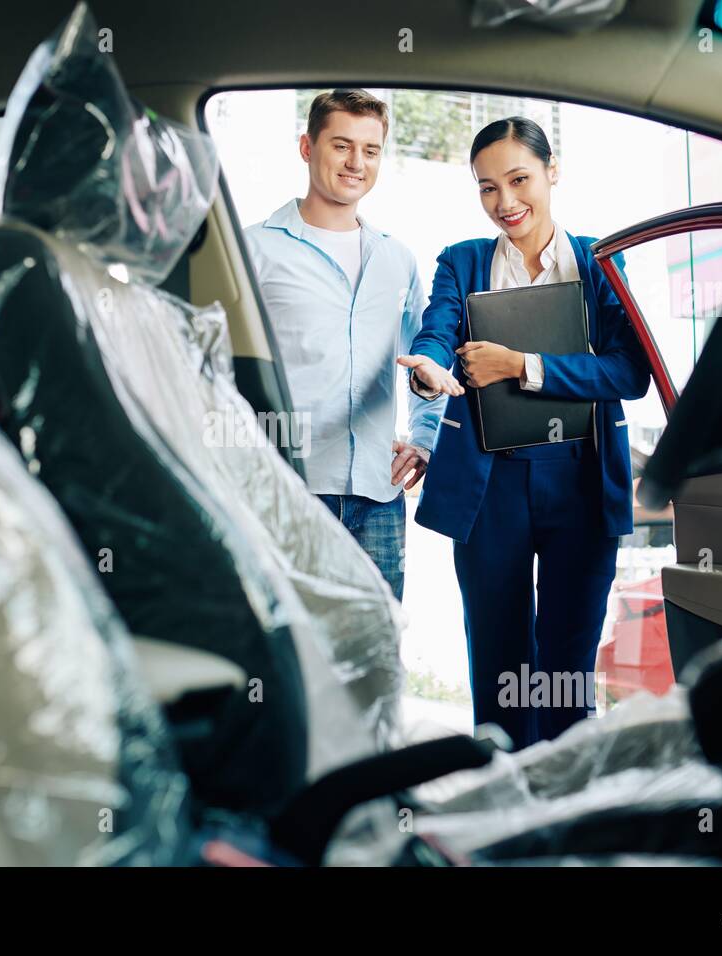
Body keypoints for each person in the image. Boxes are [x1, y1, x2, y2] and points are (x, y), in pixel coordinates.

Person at [397, 116, 651, 749]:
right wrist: (430, 369)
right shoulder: (463, 261)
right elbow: (437, 330)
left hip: (580, 478)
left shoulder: (600, 263)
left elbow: (630, 370)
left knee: (568, 665)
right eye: (488, 188)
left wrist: (520, 367)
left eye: (518, 180)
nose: (505, 203)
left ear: (551, 172)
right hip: (493, 484)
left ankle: (564, 800)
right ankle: (501, 797)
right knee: (500, 659)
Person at [245, 89, 440, 600]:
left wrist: (425, 439)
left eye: (370, 150)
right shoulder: (253, 249)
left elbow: (427, 358)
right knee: (292, 656)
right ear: (307, 147)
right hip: (288, 493)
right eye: (341, 146)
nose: (357, 163)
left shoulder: (397, 258)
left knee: (374, 657)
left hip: (379, 498)